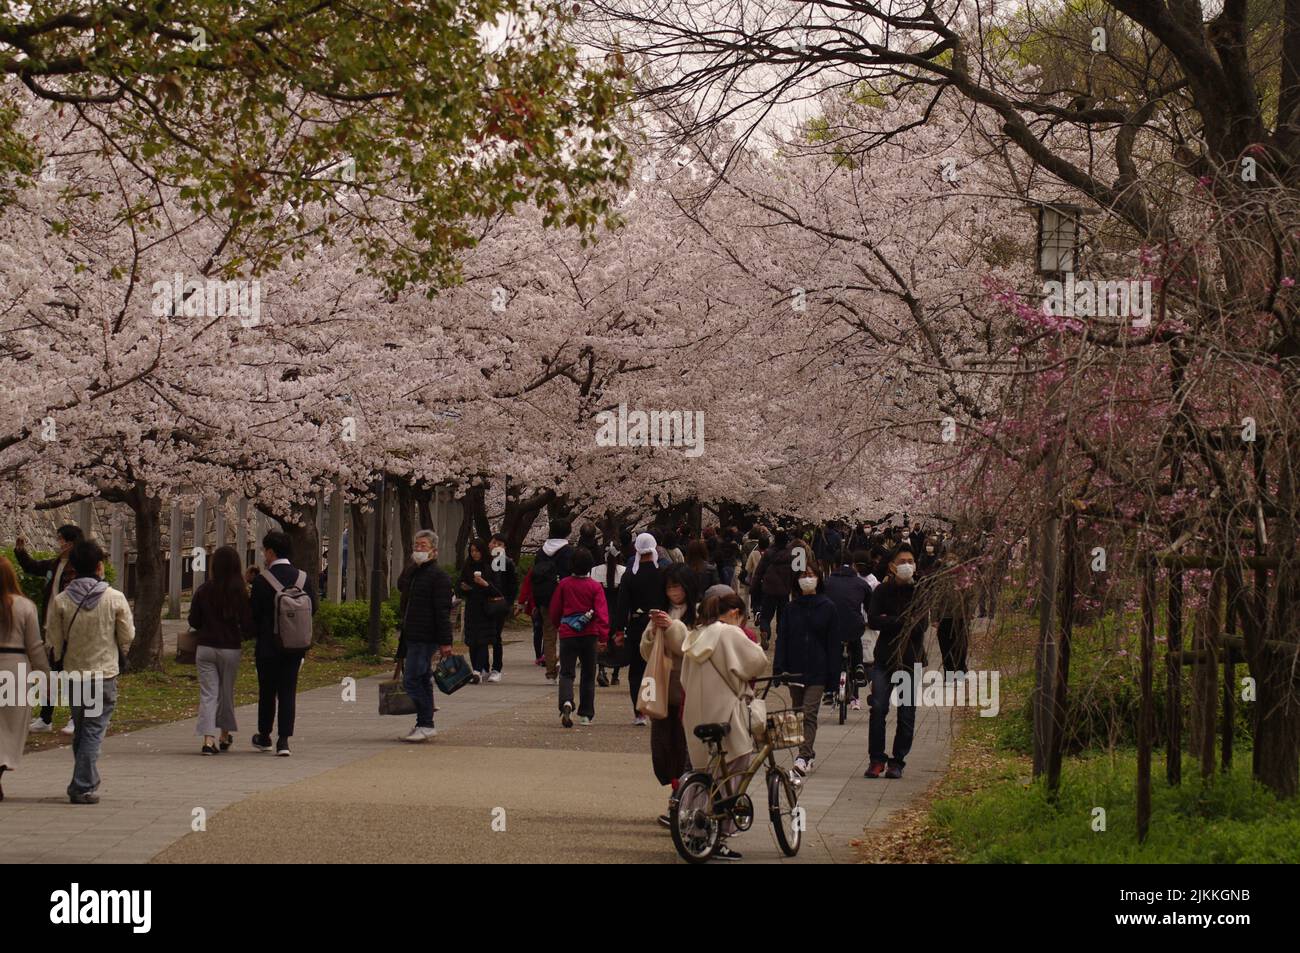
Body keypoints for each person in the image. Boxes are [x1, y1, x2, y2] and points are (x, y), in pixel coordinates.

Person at [680, 591, 767, 861]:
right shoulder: (730, 633)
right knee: (733, 773)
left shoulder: (694, 636)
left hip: (696, 713)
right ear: (733, 613)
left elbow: (683, 679)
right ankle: (721, 837)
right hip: (727, 715)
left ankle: (695, 831)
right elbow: (758, 663)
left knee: (704, 773)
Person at [46, 539, 134, 804]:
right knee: (93, 731)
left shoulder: (61, 601)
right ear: (99, 566)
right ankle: (82, 785)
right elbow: (127, 634)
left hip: (75, 673)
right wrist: (121, 651)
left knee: (83, 729)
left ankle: (84, 780)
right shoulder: (114, 598)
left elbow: (53, 639)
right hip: (103, 674)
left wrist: (61, 659)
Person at [249, 530, 317, 756]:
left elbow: (254, 614)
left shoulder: (262, 580)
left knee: (267, 691)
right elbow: (313, 608)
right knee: (288, 691)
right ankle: (284, 741)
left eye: (264, 551)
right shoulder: (303, 578)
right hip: (295, 646)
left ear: (270, 551)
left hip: (268, 646)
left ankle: (265, 735)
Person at [865, 546, 928, 779]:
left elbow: (921, 626)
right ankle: (876, 759)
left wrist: (889, 620)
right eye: (902, 561)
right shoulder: (881, 591)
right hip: (884, 658)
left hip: (911, 661)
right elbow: (873, 620)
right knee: (878, 707)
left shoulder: (920, 591)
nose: (907, 565)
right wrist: (904, 621)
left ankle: (897, 760)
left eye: (911, 561)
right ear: (892, 565)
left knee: (906, 714)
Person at [641, 563, 697, 826]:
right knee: (663, 748)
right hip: (662, 689)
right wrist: (653, 631)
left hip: (687, 691)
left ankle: (679, 801)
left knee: (685, 749)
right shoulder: (662, 613)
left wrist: (672, 627)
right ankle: (675, 792)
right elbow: (645, 651)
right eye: (669, 587)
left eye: (677, 586)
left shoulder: (698, 615)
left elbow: (689, 648)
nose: (673, 592)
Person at [14, 524, 81, 735]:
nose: (58, 543)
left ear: (70, 543)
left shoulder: (78, 566)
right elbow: (32, 567)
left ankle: (75, 717)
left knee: (72, 674)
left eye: (60, 539)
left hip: (69, 628)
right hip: (51, 627)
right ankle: (45, 716)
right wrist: (20, 551)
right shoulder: (55, 564)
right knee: (50, 673)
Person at [773, 563, 838, 777]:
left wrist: (833, 677)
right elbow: (782, 638)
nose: (807, 579)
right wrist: (779, 667)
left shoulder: (828, 607)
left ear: (819, 579)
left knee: (809, 713)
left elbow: (833, 643)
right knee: (797, 713)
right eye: (803, 575)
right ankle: (808, 752)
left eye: (810, 575)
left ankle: (803, 756)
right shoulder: (791, 608)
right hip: (795, 669)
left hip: (818, 670)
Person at [188, 545, 252, 755]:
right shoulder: (240, 592)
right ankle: (224, 734)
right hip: (230, 648)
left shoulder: (204, 590)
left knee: (208, 694)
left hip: (205, 647)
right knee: (226, 692)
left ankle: (208, 739)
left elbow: (193, 620)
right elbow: (247, 623)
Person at [396, 529, 454, 742]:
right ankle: (424, 723)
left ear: (434, 551)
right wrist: (412, 565)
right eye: (416, 546)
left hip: (426, 635)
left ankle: (426, 721)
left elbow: (442, 612)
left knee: (412, 679)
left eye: (423, 546)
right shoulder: (416, 573)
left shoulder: (439, 577)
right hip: (412, 633)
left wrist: (445, 642)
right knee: (422, 679)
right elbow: (400, 585)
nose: (418, 549)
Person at [0, 555, 50, 800]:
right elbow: (35, 646)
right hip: (15, 670)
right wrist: (45, 676)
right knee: (11, 727)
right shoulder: (24, 606)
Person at [549, 548, 609, 727]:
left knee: (567, 672)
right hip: (589, 634)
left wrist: (558, 624)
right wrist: (603, 636)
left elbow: (555, 609)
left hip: (568, 633)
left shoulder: (564, 584)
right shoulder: (595, 586)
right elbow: (602, 613)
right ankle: (586, 714)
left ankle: (566, 701)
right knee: (588, 674)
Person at [613, 532, 667, 726]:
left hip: (636, 625)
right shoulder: (662, 573)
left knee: (636, 670)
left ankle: (639, 712)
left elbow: (622, 605)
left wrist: (619, 630)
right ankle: (652, 705)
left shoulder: (629, 575)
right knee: (654, 669)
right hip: (658, 625)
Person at [824, 557, 871, 712]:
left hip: (832, 626)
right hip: (854, 625)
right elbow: (870, 606)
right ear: (853, 566)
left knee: (831, 652)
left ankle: (829, 689)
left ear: (835, 565)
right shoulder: (861, 583)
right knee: (856, 640)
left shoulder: (827, 582)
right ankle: (858, 666)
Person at [529, 520, 573, 680]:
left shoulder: (541, 552)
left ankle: (550, 670)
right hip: (564, 597)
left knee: (548, 634)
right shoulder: (568, 552)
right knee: (566, 633)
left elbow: (535, 577)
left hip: (545, 597)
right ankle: (563, 665)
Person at [459, 539, 503, 683]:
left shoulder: (491, 566)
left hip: (486, 608)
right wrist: (464, 588)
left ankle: (478, 670)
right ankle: (476, 669)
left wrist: (485, 584)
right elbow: (459, 586)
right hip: (472, 607)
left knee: (483, 640)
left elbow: (497, 590)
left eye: (477, 551)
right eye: (472, 551)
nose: (474, 554)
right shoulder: (467, 566)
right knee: (472, 641)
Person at [590, 540, 626, 687]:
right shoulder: (624, 571)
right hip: (618, 611)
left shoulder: (595, 571)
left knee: (601, 641)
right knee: (617, 642)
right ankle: (615, 675)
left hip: (601, 611)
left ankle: (601, 669)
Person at [486, 533, 518, 681]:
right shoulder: (485, 562)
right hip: (484, 603)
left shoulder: (508, 564)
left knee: (495, 636)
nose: (496, 546)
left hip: (499, 605)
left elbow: (513, 585)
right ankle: (483, 666)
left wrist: (508, 603)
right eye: (494, 543)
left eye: (499, 544)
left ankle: (496, 668)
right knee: (482, 636)